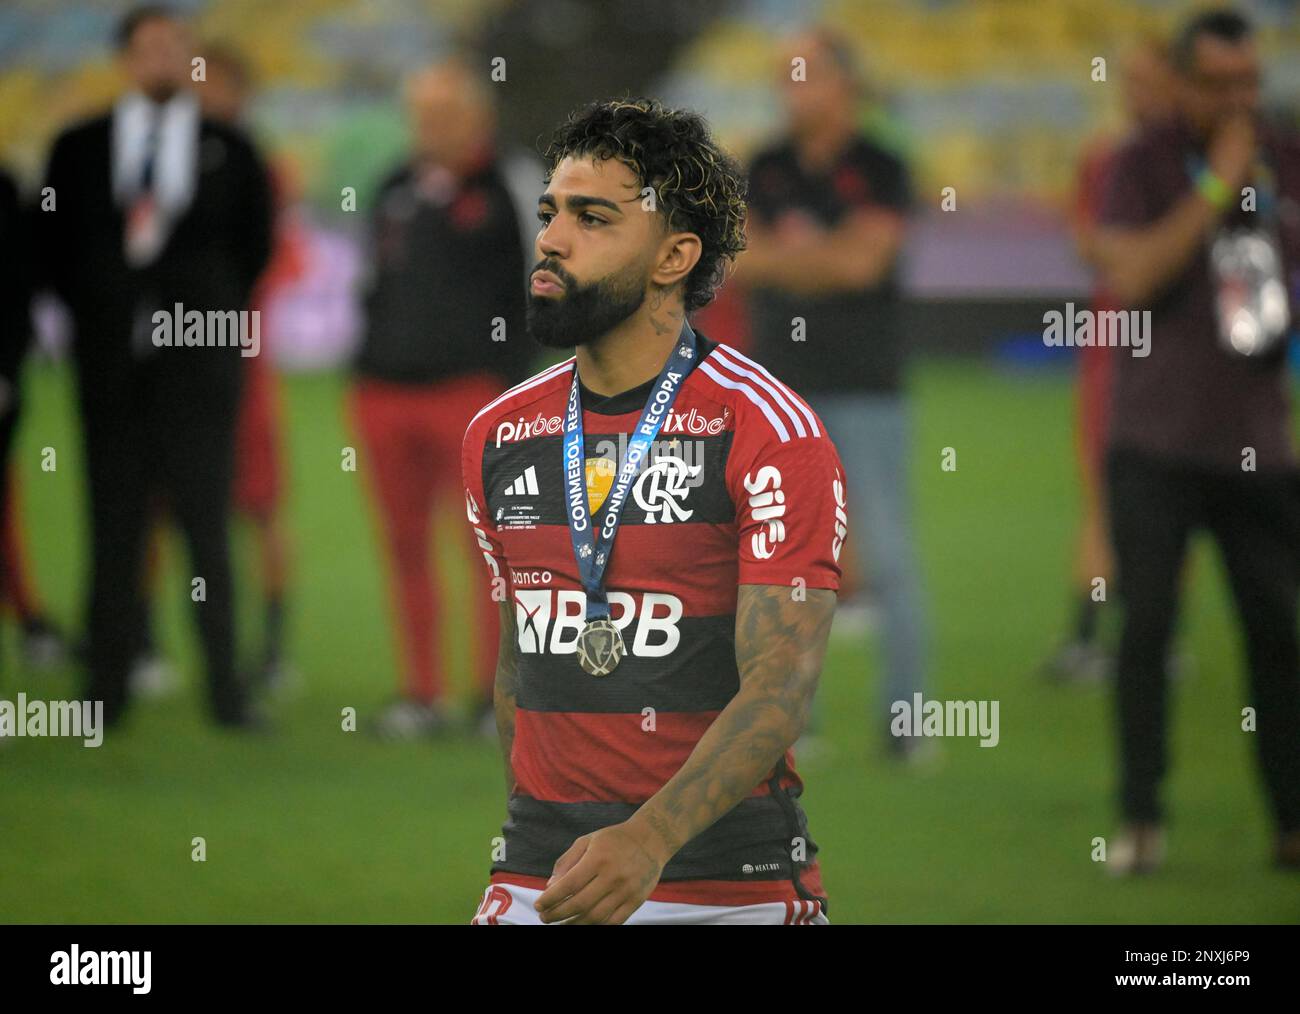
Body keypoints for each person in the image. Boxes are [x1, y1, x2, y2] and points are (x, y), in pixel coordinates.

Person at [464, 97, 846, 925]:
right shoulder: (498, 433)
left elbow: (781, 688)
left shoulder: (766, 428)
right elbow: (517, 670)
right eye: (549, 212)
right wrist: (539, 852)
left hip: (727, 887)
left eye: (593, 218)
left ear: (675, 256)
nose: (552, 240)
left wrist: (646, 839)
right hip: (547, 876)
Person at [1092, 8, 1300, 873]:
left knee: (1280, 638)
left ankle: (1291, 822)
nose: (1238, 99)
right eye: (1217, 83)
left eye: (1248, 80)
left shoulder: (1285, 156)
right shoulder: (1136, 166)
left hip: (1258, 442)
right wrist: (1214, 189)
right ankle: (1141, 817)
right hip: (1154, 443)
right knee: (1147, 633)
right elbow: (1132, 275)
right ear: (1179, 83)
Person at [36, 5, 273, 728]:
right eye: (150, 49)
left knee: (207, 525)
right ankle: (105, 692)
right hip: (109, 371)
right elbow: (55, 249)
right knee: (112, 525)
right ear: (126, 59)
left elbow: (253, 250)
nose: (164, 61)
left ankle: (226, 695)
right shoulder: (79, 148)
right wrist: (108, 311)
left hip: (199, 371)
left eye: (176, 48)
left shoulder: (230, 147)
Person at [740, 27, 926, 759]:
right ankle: (786, 719)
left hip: (867, 385)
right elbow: (741, 262)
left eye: (806, 74)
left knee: (887, 554)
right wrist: (822, 255)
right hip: (782, 391)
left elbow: (863, 265)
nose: (791, 88)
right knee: (781, 557)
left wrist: (789, 259)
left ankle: (906, 724)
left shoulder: (882, 165)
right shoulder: (764, 163)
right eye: (784, 75)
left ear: (845, 84)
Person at [353, 58, 532, 739]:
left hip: (471, 394)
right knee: (403, 546)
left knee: (489, 551)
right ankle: (420, 693)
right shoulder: (394, 185)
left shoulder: (508, 181)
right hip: (385, 393)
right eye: (422, 115)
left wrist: (509, 387)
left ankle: (495, 698)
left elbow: (543, 281)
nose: (431, 128)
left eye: (446, 113)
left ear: (478, 117)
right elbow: (373, 283)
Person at [1041, 36, 1178, 684]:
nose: (1132, 94)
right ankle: (1092, 636)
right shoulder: (1112, 159)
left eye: (1145, 80)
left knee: (1180, 493)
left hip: (1177, 352)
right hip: (1118, 350)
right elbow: (1089, 242)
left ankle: (1141, 636)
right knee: (1106, 490)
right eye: (1128, 80)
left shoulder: (1189, 162)